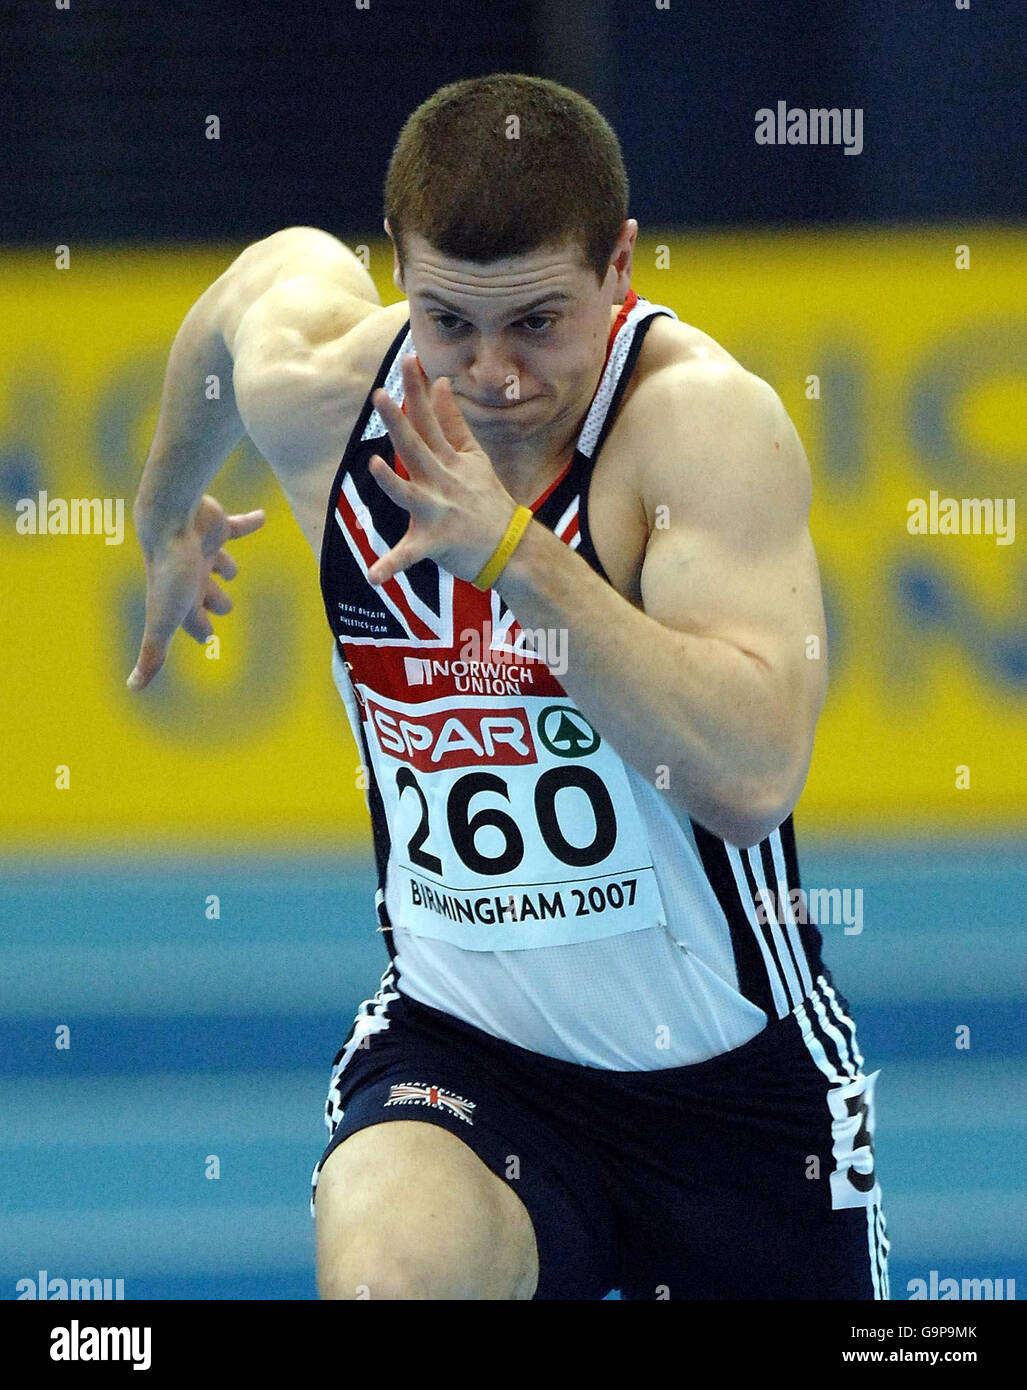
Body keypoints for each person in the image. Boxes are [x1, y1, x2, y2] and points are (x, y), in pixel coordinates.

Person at [129, 73, 889, 1301]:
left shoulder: (694, 428)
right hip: (464, 1058)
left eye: (537, 322)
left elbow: (750, 774)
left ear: (619, 269)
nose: (493, 377)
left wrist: (515, 557)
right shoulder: (328, 391)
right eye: (448, 324)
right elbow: (243, 293)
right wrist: (164, 513)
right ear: (401, 276)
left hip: (735, 1098)